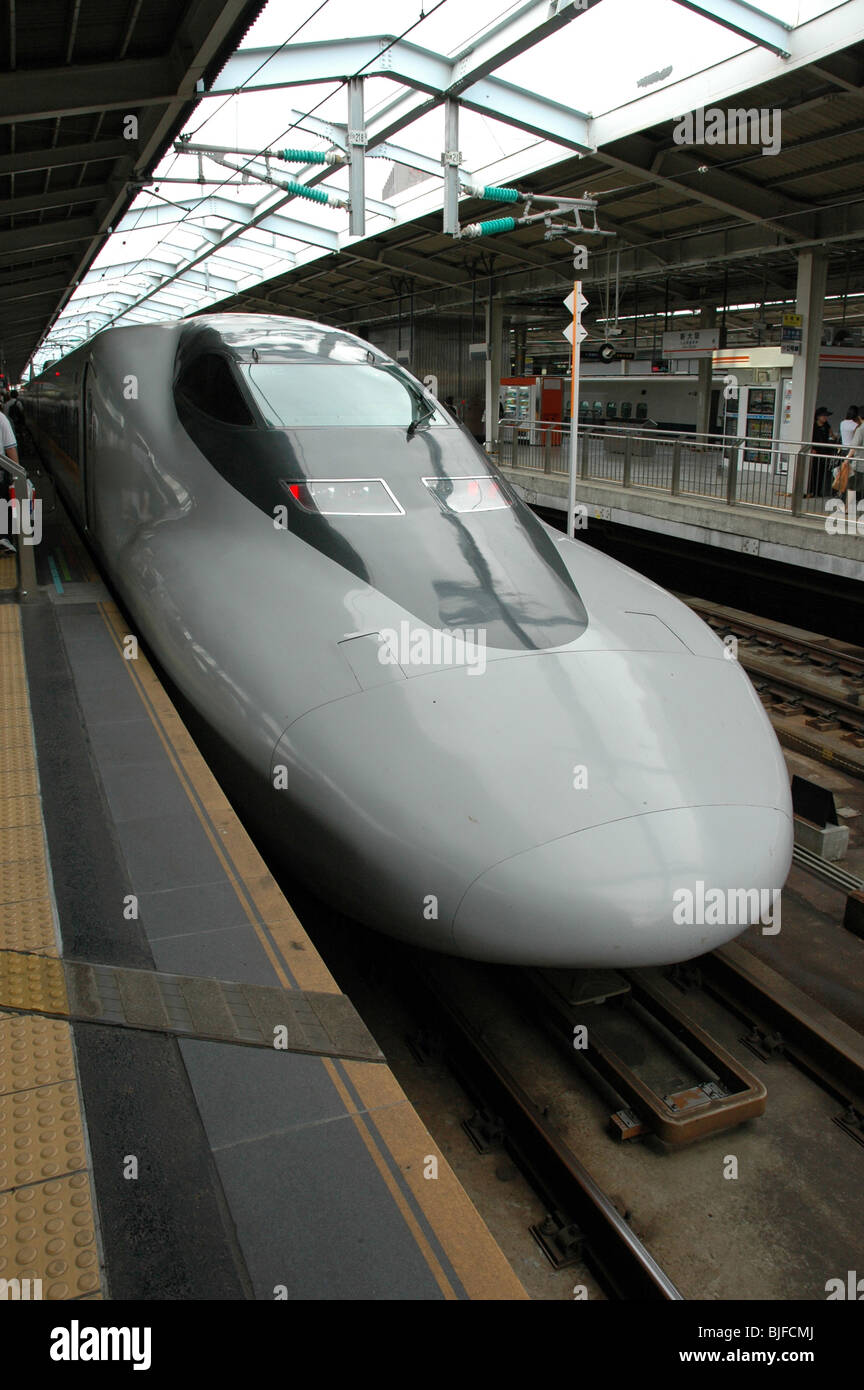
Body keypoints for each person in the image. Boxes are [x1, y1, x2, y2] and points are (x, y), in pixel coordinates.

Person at [806, 406, 837, 497]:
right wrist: (811, 448)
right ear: (818, 416)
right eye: (823, 416)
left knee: (822, 472)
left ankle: (818, 491)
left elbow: (832, 435)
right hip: (816, 451)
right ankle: (811, 490)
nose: (825, 418)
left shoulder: (827, 426)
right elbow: (809, 438)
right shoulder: (813, 426)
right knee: (814, 471)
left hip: (824, 451)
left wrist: (833, 438)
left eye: (826, 416)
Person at [0, 406, 18, 555]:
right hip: (0, 473)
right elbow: (10, 449)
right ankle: (4, 538)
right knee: (3, 503)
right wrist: (18, 475)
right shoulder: (1, 419)